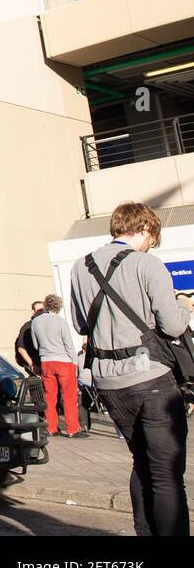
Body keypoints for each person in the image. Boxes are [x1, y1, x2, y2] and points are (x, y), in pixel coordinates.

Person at [71, 201, 193, 537]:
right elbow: (170, 325)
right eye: (151, 238)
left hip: (109, 382)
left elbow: (82, 323)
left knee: (141, 463)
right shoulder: (147, 265)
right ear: (144, 229)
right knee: (166, 473)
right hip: (150, 377)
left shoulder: (81, 267)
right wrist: (184, 307)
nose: (150, 245)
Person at [32, 294, 83, 437]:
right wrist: (74, 362)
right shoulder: (61, 322)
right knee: (69, 397)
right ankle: (72, 428)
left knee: (49, 396)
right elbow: (68, 344)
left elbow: (36, 345)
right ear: (59, 306)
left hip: (46, 361)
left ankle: (51, 427)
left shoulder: (36, 322)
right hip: (64, 361)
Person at [15, 300, 44, 374]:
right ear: (33, 312)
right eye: (39, 310)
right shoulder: (27, 327)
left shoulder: (47, 325)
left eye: (43, 310)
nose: (41, 313)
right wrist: (33, 365)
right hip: (37, 366)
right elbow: (21, 349)